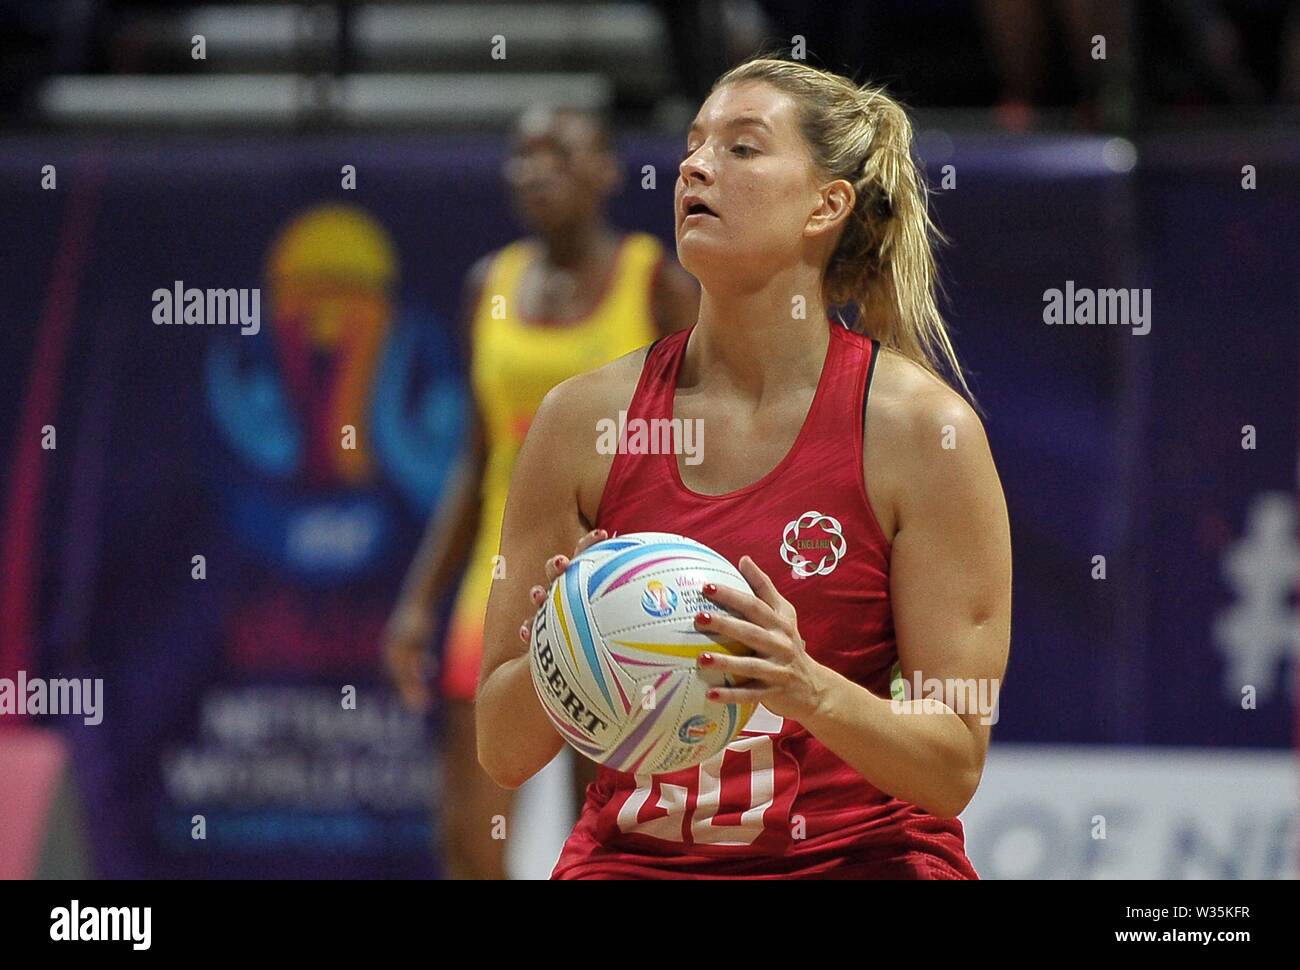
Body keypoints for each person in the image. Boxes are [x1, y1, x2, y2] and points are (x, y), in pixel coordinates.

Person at [476, 57, 1012, 878]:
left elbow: (953, 770)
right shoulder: (583, 421)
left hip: (858, 858)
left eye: (742, 149)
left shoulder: (921, 431)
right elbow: (501, 751)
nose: (695, 166)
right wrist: (564, 647)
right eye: (693, 146)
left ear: (826, 205)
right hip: (637, 858)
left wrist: (806, 687)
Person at [382, 105, 698, 880]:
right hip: (500, 576)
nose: (536, 167)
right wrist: (419, 598)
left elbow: (703, 446)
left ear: (608, 170)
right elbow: (475, 455)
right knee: (471, 840)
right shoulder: (488, 283)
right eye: (522, 153)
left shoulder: (656, 281)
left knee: (605, 834)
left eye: (561, 150)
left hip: (620, 583)